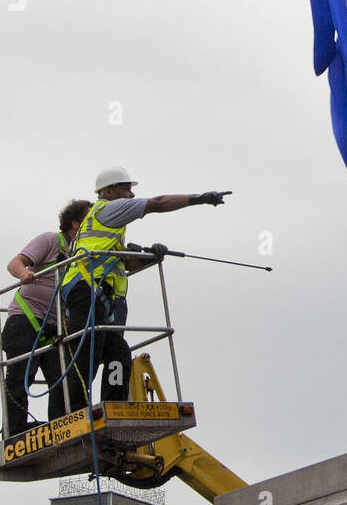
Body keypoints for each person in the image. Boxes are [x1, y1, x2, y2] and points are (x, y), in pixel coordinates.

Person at [60, 166, 229, 411]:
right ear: (108, 191)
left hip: (98, 293)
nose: (130, 195)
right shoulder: (109, 209)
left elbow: (126, 265)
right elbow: (157, 203)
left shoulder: (107, 227)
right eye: (125, 189)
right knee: (87, 353)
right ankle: (72, 413)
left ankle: (113, 407)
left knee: (117, 353)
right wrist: (199, 198)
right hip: (86, 290)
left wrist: (152, 257)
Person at [0, 199, 92, 437]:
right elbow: (15, 263)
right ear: (75, 223)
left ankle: (60, 427)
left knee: (62, 380)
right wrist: (25, 274)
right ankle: (15, 432)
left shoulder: (83, 253)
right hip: (25, 320)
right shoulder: (52, 241)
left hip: (54, 329)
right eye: (89, 219)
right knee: (20, 378)